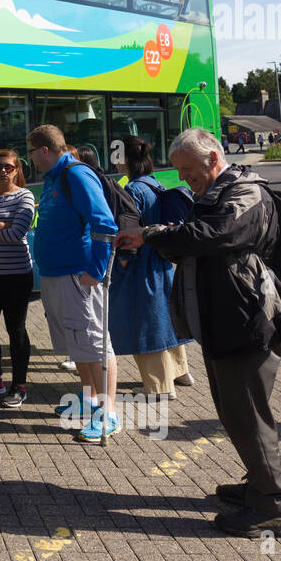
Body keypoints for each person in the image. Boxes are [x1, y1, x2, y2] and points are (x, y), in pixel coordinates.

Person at [116, 127, 281, 537]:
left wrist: (153, 234)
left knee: (248, 417)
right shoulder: (212, 194)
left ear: (213, 159)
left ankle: (273, 505)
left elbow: (212, 235)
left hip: (248, 321)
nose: (183, 178)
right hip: (224, 320)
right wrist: (163, 238)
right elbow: (187, 243)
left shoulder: (245, 191)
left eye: (188, 169)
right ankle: (261, 486)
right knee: (235, 414)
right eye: (180, 171)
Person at [27, 125, 120, 442]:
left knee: (94, 343)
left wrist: (95, 270)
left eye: (31, 154)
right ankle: (89, 398)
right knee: (77, 342)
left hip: (77, 276)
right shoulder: (55, 176)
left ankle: (107, 413)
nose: (31, 162)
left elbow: (104, 223)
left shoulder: (75, 174)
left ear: (43, 150)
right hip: (58, 275)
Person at [107, 137, 192, 402]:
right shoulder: (154, 183)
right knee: (166, 317)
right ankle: (180, 372)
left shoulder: (132, 190)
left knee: (145, 323)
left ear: (123, 159)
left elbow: (127, 230)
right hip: (161, 259)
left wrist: (121, 262)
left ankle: (159, 387)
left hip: (140, 264)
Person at [0, 148, 36, 408]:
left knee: (16, 331)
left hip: (16, 276)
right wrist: (1, 225)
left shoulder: (25, 196)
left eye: (9, 167)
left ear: (17, 169)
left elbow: (16, 235)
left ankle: (19, 386)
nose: (3, 171)